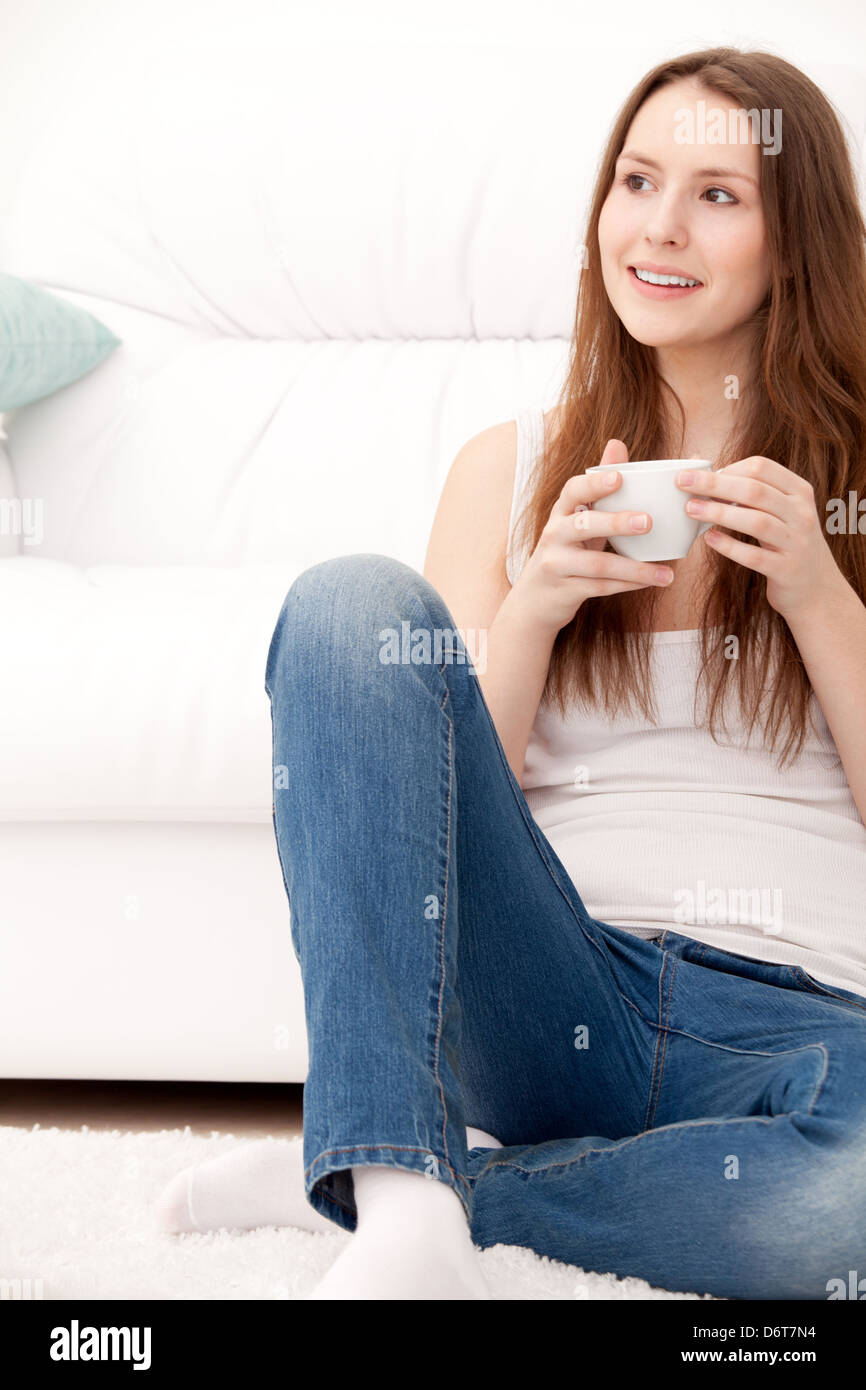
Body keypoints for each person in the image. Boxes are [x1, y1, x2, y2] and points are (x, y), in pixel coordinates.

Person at [156, 46, 866, 1301]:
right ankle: (398, 1177)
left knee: (848, 1199)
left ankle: (399, 1185)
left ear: (790, 237)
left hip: (800, 1019)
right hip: (548, 983)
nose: (657, 225)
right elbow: (412, 813)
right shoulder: (508, 466)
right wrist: (534, 608)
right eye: (635, 180)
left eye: (714, 194)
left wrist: (815, 586)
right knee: (350, 606)